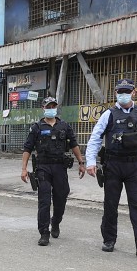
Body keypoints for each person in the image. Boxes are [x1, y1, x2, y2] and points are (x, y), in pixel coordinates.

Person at [85, 78, 137, 256]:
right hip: (113, 165)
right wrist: (91, 162)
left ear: (134, 92)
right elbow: (95, 138)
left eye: (127, 91)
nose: (123, 95)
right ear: (115, 93)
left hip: (136, 165)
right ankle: (109, 239)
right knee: (110, 204)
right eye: (120, 92)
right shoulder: (109, 114)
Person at [21, 97, 85, 246]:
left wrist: (81, 162)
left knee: (61, 198)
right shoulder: (36, 127)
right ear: (43, 109)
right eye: (48, 106)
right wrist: (24, 169)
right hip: (43, 167)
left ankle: (55, 222)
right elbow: (27, 149)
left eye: (53, 106)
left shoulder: (64, 126)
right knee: (44, 200)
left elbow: (74, 144)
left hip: (60, 168)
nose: (51, 108)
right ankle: (44, 232)